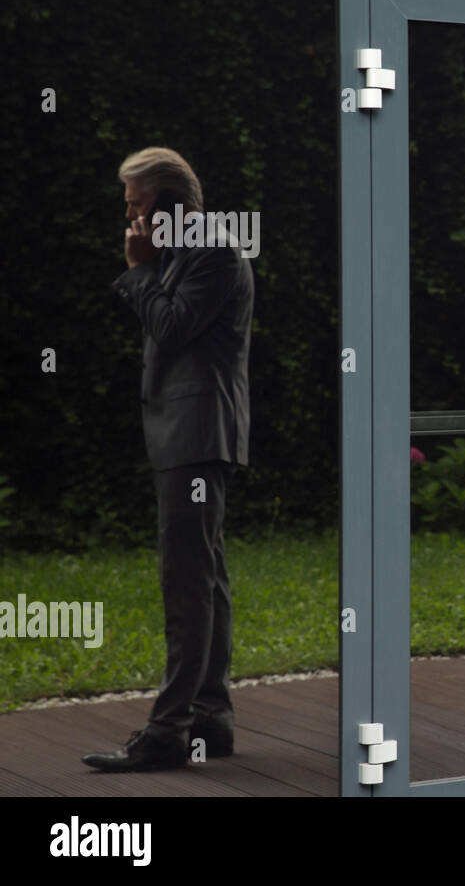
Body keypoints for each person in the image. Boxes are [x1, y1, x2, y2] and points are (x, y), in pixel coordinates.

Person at [83, 147, 254, 771]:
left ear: (170, 203)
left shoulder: (212, 249)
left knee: (185, 581)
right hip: (187, 433)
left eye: (136, 204)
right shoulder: (189, 250)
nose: (129, 217)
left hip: (198, 434)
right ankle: (210, 719)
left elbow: (174, 326)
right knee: (205, 576)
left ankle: (167, 733)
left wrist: (138, 272)